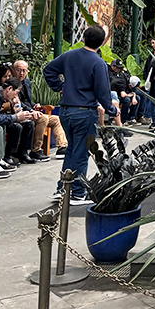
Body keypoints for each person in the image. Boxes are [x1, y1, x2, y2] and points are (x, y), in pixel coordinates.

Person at [43, 24, 116, 203]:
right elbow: (102, 91)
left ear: (83, 38)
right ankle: (76, 191)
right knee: (82, 152)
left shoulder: (69, 56)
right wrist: (112, 109)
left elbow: (48, 70)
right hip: (85, 111)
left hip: (66, 111)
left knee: (71, 150)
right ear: (102, 42)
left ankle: (63, 188)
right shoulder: (98, 63)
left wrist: (60, 87)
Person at [12, 59, 67, 160]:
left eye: (24, 70)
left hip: (31, 111)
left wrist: (35, 106)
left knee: (55, 119)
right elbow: (17, 102)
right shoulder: (12, 84)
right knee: (43, 118)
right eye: (19, 70)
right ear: (13, 70)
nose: (21, 73)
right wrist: (31, 110)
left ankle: (62, 147)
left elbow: (27, 101)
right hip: (20, 113)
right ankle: (36, 150)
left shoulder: (26, 82)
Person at [0, 77, 38, 167]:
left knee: (25, 124)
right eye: (16, 93)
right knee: (0, 128)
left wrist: (17, 108)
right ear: (9, 89)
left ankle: (7, 157)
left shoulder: (0, 95)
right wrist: (16, 117)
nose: (15, 96)